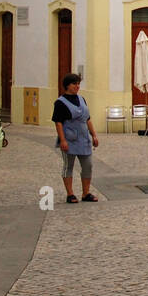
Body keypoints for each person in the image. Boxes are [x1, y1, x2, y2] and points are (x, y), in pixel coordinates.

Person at [52, 73, 99, 203]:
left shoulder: (82, 99)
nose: (77, 86)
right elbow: (58, 122)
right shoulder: (60, 103)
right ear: (67, 86)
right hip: (70, 139)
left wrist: (94, 134)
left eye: (78, 84)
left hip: (84, 139)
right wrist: (62, 140)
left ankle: (86, 193)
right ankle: (70, 194)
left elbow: (88, 119)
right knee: (69, 166)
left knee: (88, 165)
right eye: (74, 84)